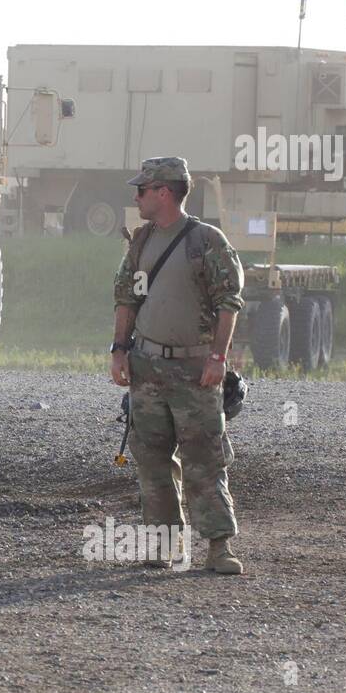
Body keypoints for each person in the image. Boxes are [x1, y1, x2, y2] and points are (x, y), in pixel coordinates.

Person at [110, 157, 245, 574]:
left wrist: (218, 358)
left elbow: (229, 301)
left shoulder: (206, 241)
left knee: (205, 459)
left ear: (164, 192)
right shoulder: (141, 241)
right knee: (152, 460)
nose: (137, 197)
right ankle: (162, 546)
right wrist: (118, 350)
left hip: (194, 369)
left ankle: (218, 548)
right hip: (147, 366)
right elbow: (127, 298)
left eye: (143, 190)